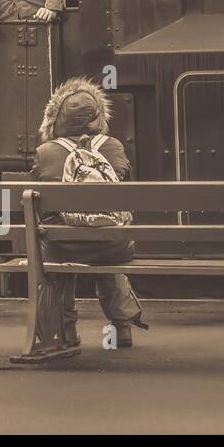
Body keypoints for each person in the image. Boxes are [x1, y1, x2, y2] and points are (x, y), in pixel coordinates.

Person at [29, 76, 149, 358]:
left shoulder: (45, 153)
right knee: (109, 238)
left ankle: (67, 332)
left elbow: (35, 197)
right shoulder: (114, 147)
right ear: (97, 118)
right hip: (113, 246)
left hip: (64, 246)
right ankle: (121, 326)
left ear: (56, 119)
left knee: (57, 243)